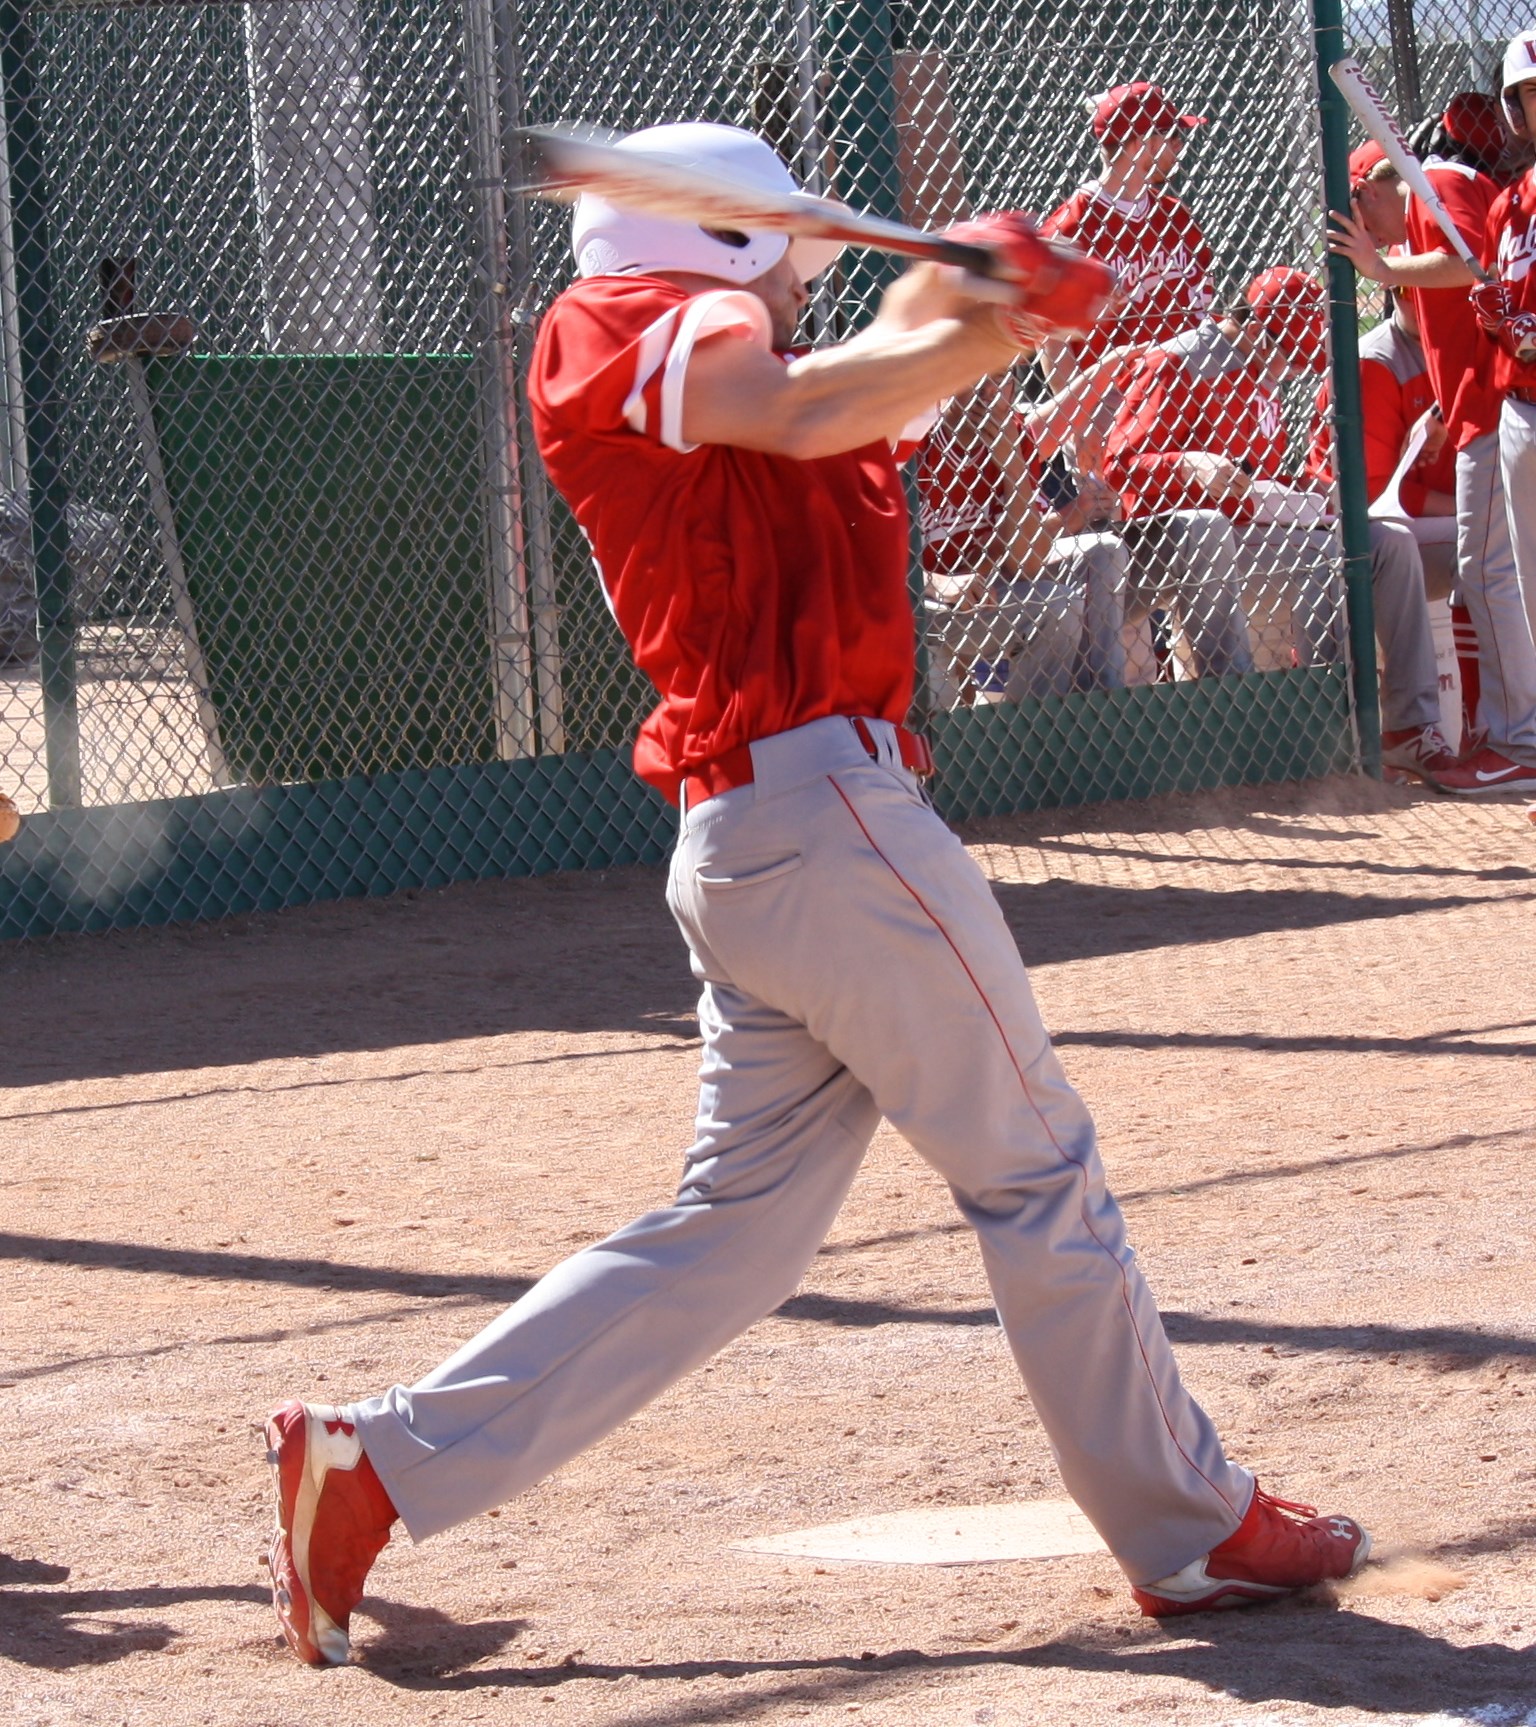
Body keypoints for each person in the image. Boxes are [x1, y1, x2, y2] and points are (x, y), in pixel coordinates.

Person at [262, 121, 1369, 1669]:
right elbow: (783, 392)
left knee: (736, 1234)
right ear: (717, 242)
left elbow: (874, 365)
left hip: (776, 840)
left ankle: (374, 1466)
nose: (799, 274)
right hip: (824, 818)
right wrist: (979, 315)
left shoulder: (764, 360)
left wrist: (988, 304)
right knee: (1036, 1167)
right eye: (779, 248)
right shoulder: (627, 332)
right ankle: (1192, 1528)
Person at [1330, 88, 1536, 794]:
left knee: (1486, 576)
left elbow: (1472, 261)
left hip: (1490, 401)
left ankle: (1520, 741)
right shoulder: (1468, 184)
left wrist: (1384, 271)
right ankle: (1504, 731)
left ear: (1372, 185)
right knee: (1491, 580)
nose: (1369, 229)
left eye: (1361, 206)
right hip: (1498, 398)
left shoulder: (1436, 184)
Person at [1305, 293, 1460, 782]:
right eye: (1425, 291)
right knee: (1489, 542)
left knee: (1501, 537)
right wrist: (1477, 510)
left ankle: (1495, 728)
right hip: (1357, 531)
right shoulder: (1377, 361)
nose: (1440, 302)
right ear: (1397, 292)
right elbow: (1371, 501)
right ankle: (1409, 731)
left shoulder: (1462, 343)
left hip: (1436, 523)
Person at [1041, 81, 1215, 387]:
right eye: (1171, 134)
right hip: (1115, 406)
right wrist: (1079, 417)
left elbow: (1203, 312)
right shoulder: (1071, 227)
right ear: (1140, 143)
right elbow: (1052, 342)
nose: (1179, 145)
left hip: (1184, 397)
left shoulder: (1176, 216)